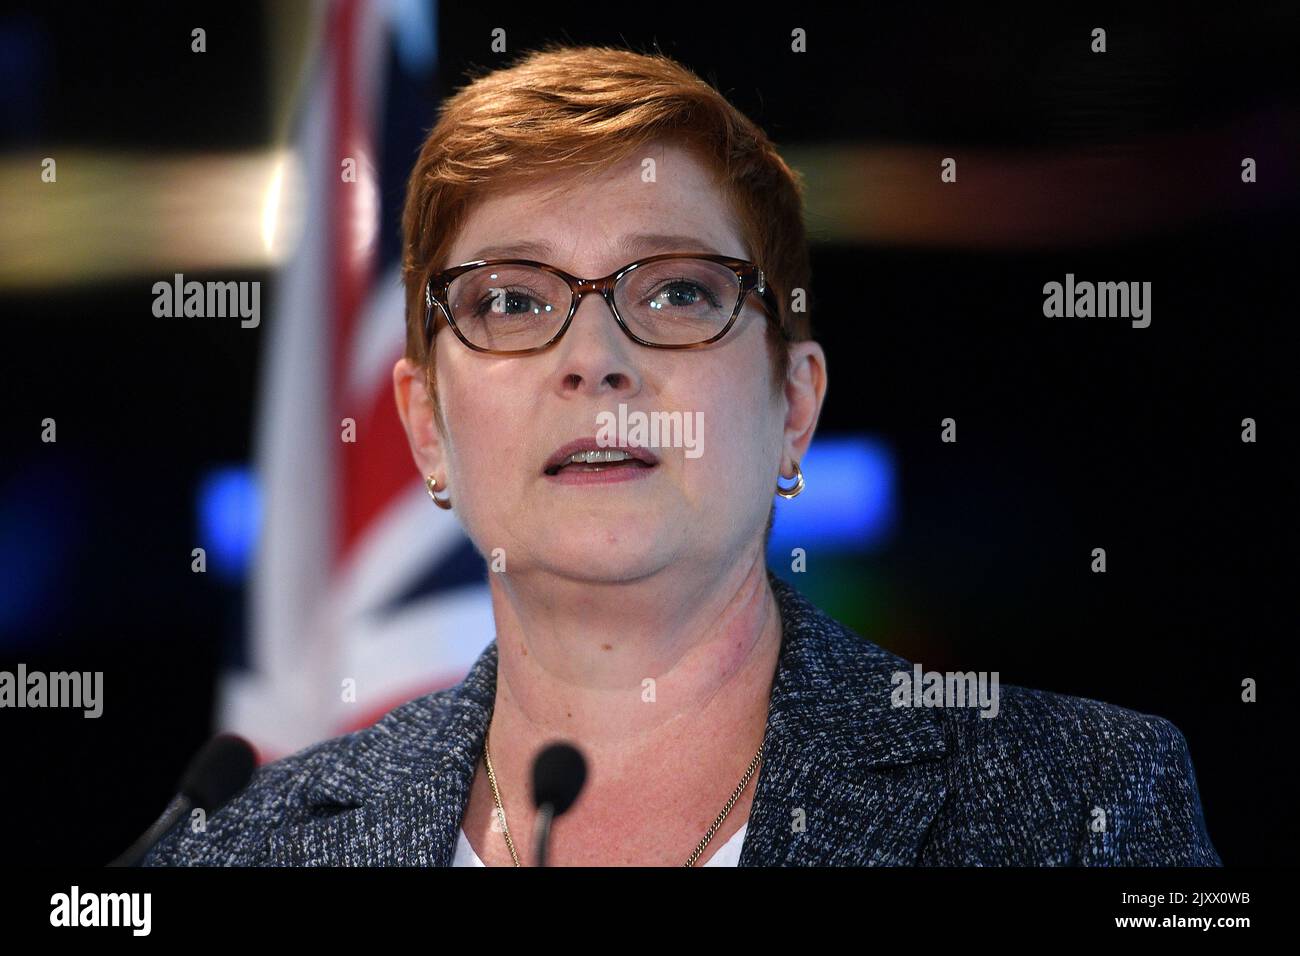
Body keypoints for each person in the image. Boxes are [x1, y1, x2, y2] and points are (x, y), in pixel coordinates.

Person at [143, 43, 1219, 867]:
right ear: (426, 427)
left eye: (675, 292)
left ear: (793, 404)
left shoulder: (1080, 802)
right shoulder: (249, 843)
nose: (594, 360)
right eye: (513, 300)